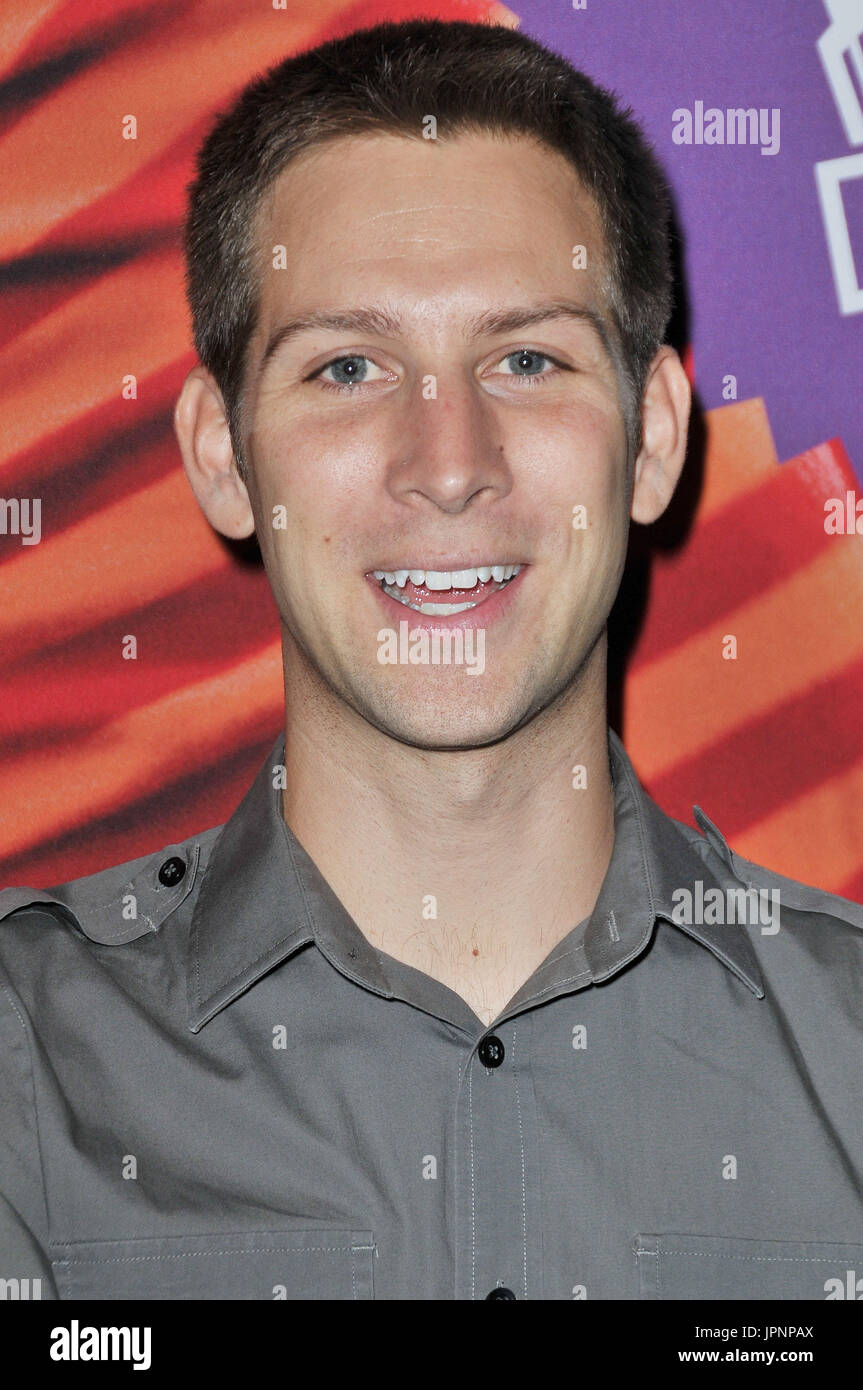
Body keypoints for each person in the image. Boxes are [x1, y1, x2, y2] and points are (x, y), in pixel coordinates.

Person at [1, 17, 861, 1303]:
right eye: (349, 366)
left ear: (653, 439)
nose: (448, 461)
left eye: (525, 359)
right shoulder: (27, 1067)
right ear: (225, 456)